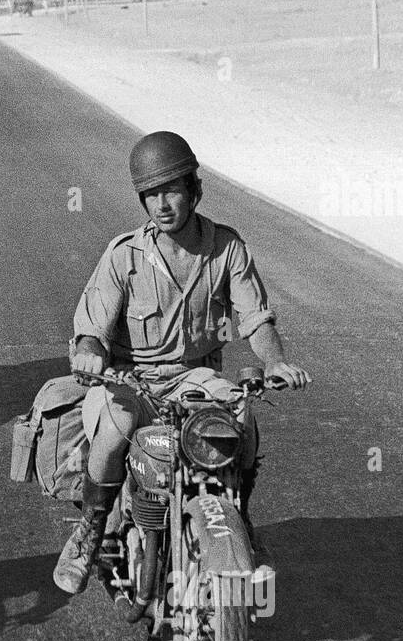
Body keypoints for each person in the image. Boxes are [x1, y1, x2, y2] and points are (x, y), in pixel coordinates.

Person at [54, 130, 311, 595]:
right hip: (128, 380)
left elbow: (255, 317)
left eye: (171, 189)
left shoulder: (227, 248)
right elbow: (91, 328)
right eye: (150, 194)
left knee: (243, 424)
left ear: (194, 189)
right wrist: (90, 354)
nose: (161, 204)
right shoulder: (124, 256)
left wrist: (275, 362)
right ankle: (90, 531)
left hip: (196, 377)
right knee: (114, 432)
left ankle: (241, 521)